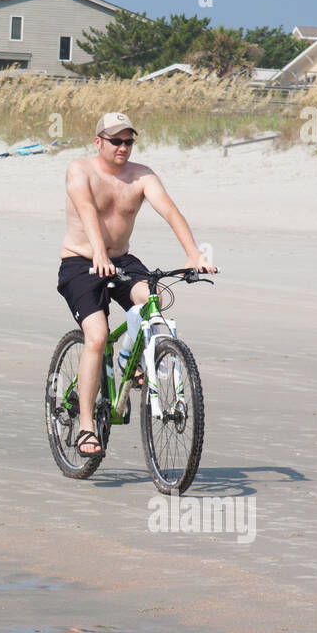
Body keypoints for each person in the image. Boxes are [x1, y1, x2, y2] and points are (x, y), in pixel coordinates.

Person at [56, 113, 216, 462]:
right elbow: (85, 211)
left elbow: (170, 212)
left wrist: (193, 254)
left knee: (151, 303)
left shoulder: (141, 175)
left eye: (129, 141)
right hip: (81, 262)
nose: (123, 148)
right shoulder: (79, 170)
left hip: (121, 260)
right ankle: (86, 425)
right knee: (96, 336)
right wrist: (98, 252)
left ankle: (132, 359)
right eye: (116, 141)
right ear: (98, 141)